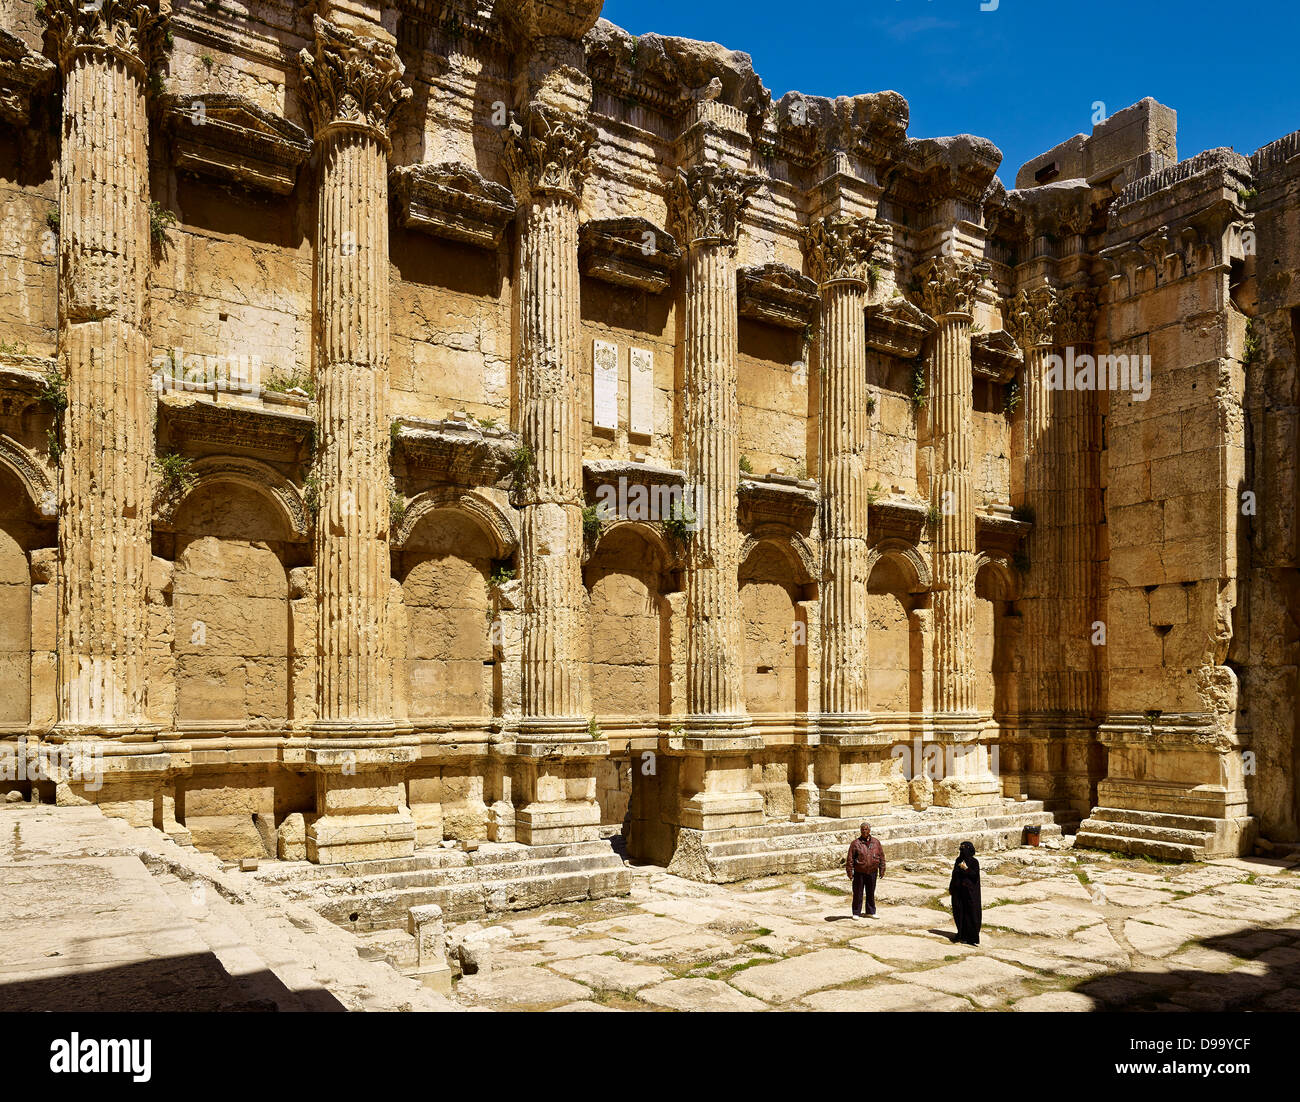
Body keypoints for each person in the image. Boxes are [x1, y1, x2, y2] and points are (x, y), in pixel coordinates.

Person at [845, 822, 885, 918]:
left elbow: (881, 856)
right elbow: (850, 859)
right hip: (860, 872)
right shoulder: (855, 843)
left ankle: (870, 911)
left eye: (866, 829)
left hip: (872, 871)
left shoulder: (876, 842)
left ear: (869, 830)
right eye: (862, 829)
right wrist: (849, 872)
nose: (864, 831)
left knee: (871, 892)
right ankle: (856, 913)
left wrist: (882, 869)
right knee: (858, 893)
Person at [949, 840, 982, 945]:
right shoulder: (958, 860)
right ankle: (961, 934)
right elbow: (954, 875)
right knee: (959, 913)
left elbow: (974, 875)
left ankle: (971, 937)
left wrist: (966, 869)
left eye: (965, 849)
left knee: (970, 914)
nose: (963, 852)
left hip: (970, 894)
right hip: (959, 893)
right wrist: (951, 887)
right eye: (961, 849)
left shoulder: (974, 862)